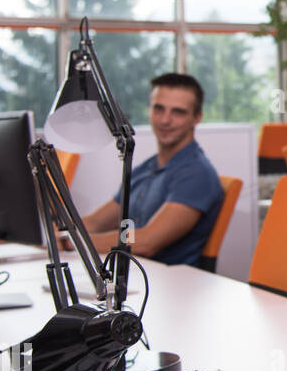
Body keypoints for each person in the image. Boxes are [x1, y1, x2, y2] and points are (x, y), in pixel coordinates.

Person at [76, 73, 224, 267]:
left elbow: (146, 241)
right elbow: (97, 222)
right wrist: (56, 236)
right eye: (158, 109)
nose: (165, 120)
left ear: (196, 118)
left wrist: (75, 242)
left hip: (168, 287)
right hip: (133, 276)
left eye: (178, 112)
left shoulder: (196, 174)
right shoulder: (146, 168)